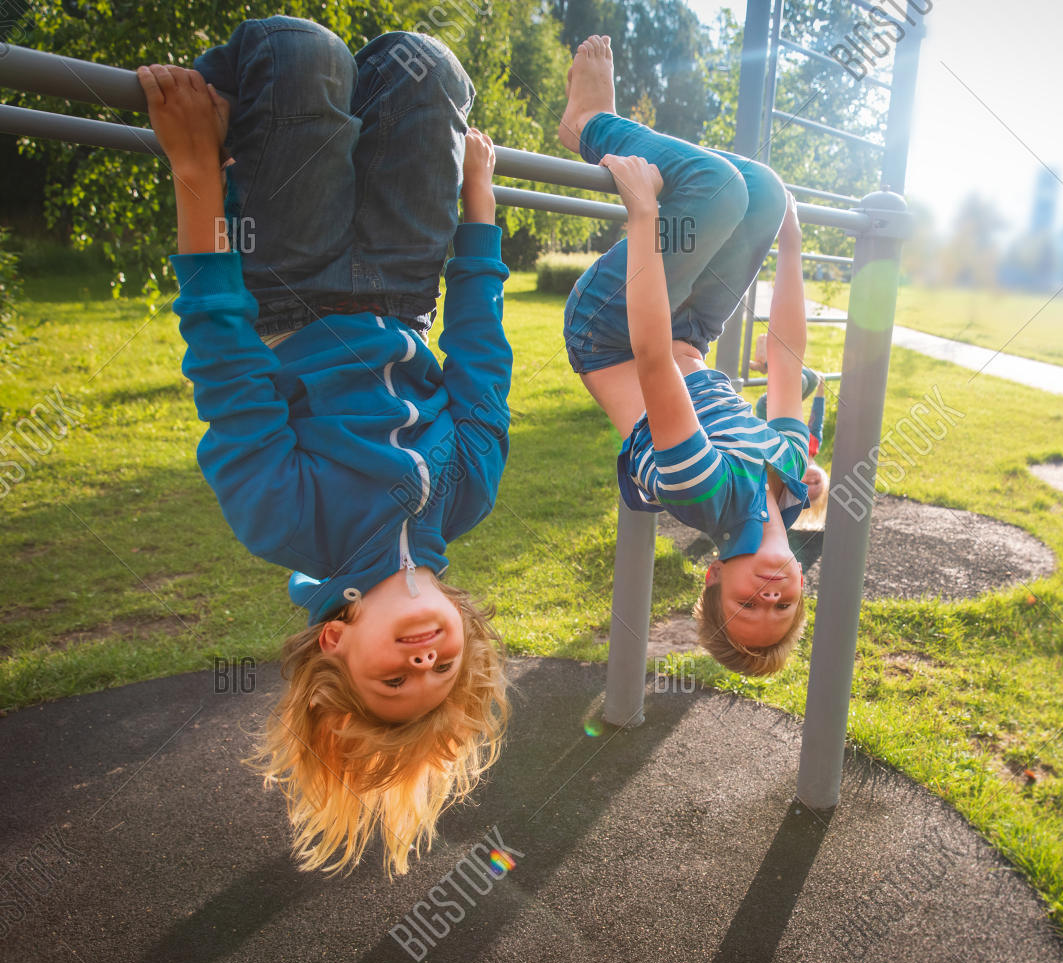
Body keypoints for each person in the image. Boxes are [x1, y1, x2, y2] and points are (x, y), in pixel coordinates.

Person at [142, 16, 513, 876]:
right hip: (404, 284)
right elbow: (484, 359)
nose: (424, 660)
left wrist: (196, 171)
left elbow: (225, 363)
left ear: (337, 645)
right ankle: (275, 113)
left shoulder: (286, 523)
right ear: (464, 633)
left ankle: (227, 114)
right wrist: (479, 212)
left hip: (283, 287)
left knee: (298, 53)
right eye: (441, 670)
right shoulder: (467, 494)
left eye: (395, 680)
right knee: (428, 67)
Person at [557, 35, 812, 676]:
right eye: (780, 609)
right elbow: (785, 363)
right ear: (803, 593)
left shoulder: (707, 497)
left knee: (717, 188)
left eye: (748, 605)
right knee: (763, 189)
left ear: (713, 577)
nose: (770, 596)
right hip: (689, 331)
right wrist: (790, 249)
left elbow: (649, 358)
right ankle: (613, 131)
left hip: (612, 333)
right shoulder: (786, 489)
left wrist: (642, 217)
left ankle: (588, 123)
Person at [750, 336, 828, 531]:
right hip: (787, 407)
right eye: (816, 482)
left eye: (805, 485)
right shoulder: (814, 446)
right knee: (811, 378)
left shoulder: (789, 463)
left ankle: (767, 364)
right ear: (824, 477)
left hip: (770, 410)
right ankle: (765, 365)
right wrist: (821, 391)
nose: (810, 479)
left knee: (800, 381)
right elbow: (816, 420)